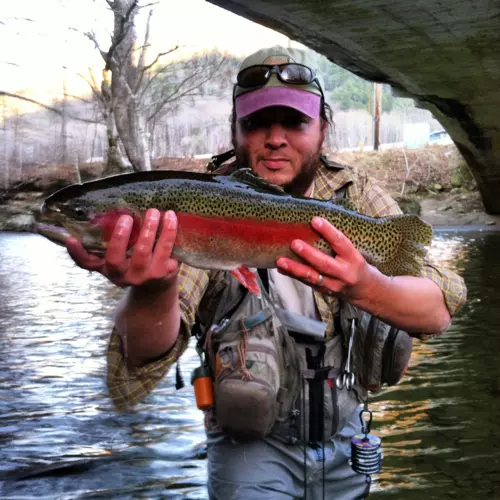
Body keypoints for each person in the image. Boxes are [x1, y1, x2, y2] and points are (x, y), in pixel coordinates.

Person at [66, 46, 467, 499]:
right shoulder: (195, 202)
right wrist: (154, 286)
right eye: (256, 123)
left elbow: (440, 306)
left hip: (348, 439)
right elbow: (140, 358)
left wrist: (367, 285)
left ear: (323, 131)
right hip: (250, 452)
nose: (274, 138)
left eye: (294, 122)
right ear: (235, 131)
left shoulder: (353, 195)